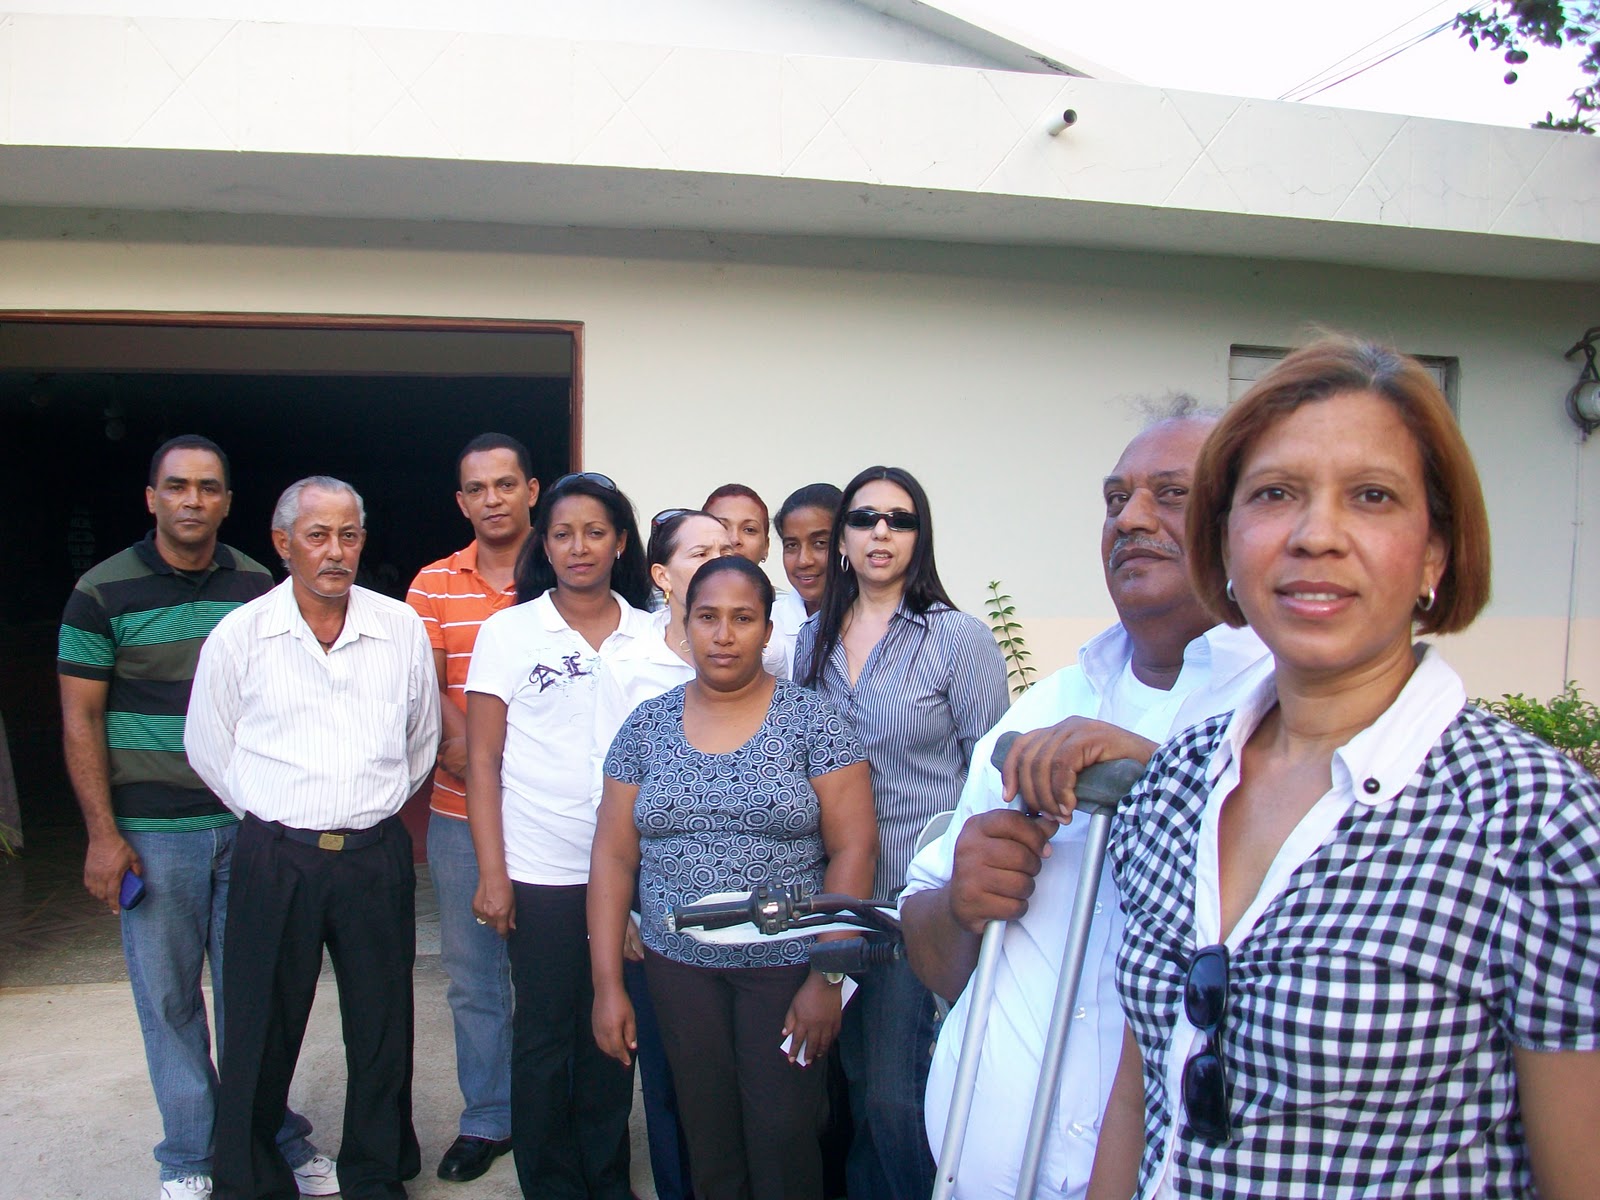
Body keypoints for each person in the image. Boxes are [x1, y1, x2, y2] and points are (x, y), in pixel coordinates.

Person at [1084, 337, 1600, 1199]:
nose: (1316, 536)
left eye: (1372, 496)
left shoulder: (1535, 823)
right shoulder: (1175, 786)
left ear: (1434, 552)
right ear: (1226, 542)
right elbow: (1142, 1099)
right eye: (1275, 494)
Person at [898, 404, 1272, 1200]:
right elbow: (932, 955)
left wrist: (1163, 778)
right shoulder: (1039, 712)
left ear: (1245, 522)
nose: (1130, 518)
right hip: (976, 1173)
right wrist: (961, 903)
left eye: (1171, 494)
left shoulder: (1284, 718)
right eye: (1115, 499)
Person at [58, 435, 332, 1200]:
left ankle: (268, 1136)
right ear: (152, 498)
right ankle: (189, 1155)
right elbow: (80, 719)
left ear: (227, 502)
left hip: (248, 825)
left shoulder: (255, 583)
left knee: (256, 996)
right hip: (152, 833)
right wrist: (103, 835)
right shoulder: (100, 593)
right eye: (177, 486)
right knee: (170, 1000)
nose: (193, 500)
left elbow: (284, 699)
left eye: (209, 488)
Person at [590, 555, 879, 1200]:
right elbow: (612, 856)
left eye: (743, 618)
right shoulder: (646, 726)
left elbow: (855, 848)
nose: (724, 635)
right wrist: (608, 985)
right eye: (708, 618)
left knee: (785, 1135)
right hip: (678, 971)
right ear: (686, 625)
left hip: (787, 972)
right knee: (708, 1138)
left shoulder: (814, 722)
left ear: (767, 630)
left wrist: (828, 977)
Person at [185, 476, 439, 1200]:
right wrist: (275, 818)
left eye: (348, 536)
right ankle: (250, 1177)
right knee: (261, 1026)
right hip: (276, 857)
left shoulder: (398, 628)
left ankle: (375, 1172)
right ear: (283, 543)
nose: (335, 552)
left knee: (382, 1024)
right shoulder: (242, 634)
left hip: (372, 854)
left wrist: (362, 805)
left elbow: (420, 739)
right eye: (318, 535)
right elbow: (208, 746)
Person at [795, 466, 1009, 1200]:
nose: (881, 532)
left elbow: (990, 777)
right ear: (842, 540)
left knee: (897, 1095)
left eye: (900, 519)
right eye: (864, 518)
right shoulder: (809, 642)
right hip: (834, 899)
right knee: (850, 1094)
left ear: (920, 538)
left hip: (915, 904)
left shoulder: (957, 640)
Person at [465, 471, 654, 1200]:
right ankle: (549, 1184)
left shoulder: (650, 634)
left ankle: (605, 1179)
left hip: (631, 872)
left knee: (611, 1032)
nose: (580, 547)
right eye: (564, 534)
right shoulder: (509, 632)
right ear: (544, 544)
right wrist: (493, 873)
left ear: (620, 543)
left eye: (595, 532)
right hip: (541, 867)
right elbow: (483, 759)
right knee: (544, 1034)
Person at [589, 506, 735, 1200]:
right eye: (700, 553)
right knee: (673, 1083)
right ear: (661, 575)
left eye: (727, 548)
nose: (719, 560)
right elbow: (605, 804)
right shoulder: (624, 663)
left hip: (752, 907)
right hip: (658, 908)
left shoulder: (765, 652)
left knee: (744, 1082)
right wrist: (619, 914)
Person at [405, 433, 539, 1183]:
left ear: (531, 491)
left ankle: (553, 1108)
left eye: (505, 484)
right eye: (477, 489)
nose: (492, 499)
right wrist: (470, 750)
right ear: (462, 502)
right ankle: (489, 1116)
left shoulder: (562, 574)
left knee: (555, 971)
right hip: (459, 811)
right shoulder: (432, 585)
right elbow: (424, 687)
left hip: (552, 817)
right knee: (474, 973)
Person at [770, 483, 842, 679]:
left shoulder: (875, 623)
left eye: (820, 543)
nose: (804, 561)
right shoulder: (766, 623)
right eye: (792, 545)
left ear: (846, 543)